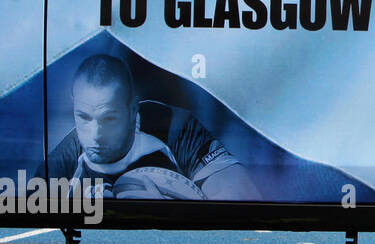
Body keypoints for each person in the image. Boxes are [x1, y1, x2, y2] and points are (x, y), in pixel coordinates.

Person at [44, 54, 261, 201]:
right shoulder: (66, 155)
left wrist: (172, 211)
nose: (96, 135)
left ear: (132, 110)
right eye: (83, 118)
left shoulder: (173, 126)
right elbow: (32, 213)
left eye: (109, 118)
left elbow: (245, 198)